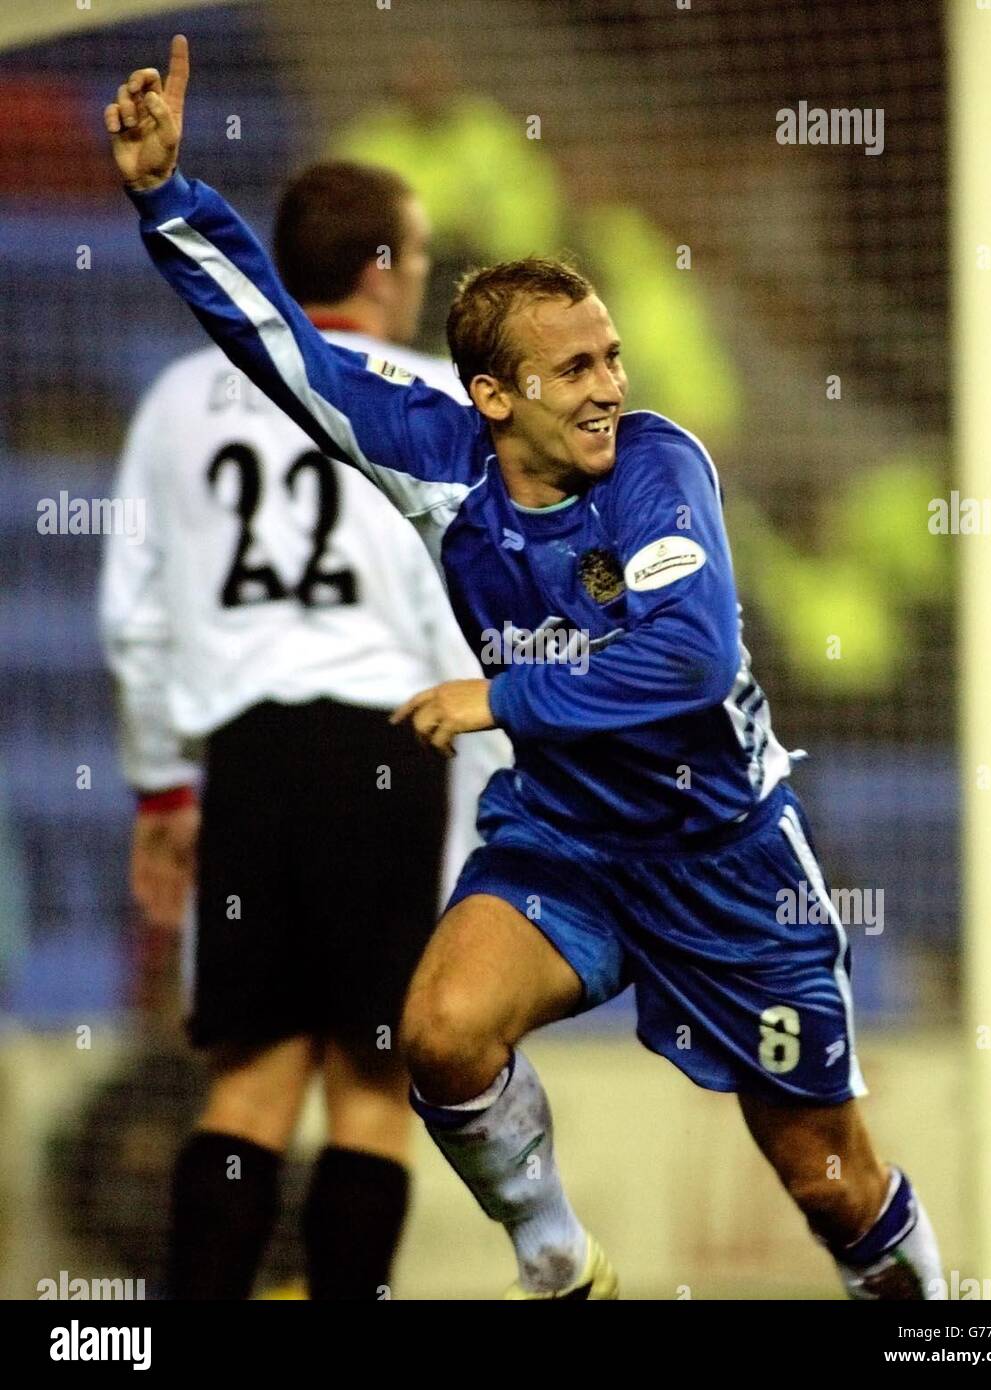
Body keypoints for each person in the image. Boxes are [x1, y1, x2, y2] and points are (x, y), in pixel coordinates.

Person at [104, 36, 943, 1300]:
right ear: (493, 395)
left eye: (613, 356)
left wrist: (499, 695)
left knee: (826, 1174)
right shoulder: (437, 459)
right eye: (579, 369)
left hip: (723, 858)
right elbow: (281, 348)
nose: (613, 387)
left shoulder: (662, 470)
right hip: (564, 849)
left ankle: (932, 1319)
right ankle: (557, 1259)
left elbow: (689, 657)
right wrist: (171, 197)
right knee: (436, 1035)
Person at [99, 147, 508, 1300]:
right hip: (393, 746)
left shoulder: (182, 397)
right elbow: (462, 622)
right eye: (418, 257)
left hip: (248, 756)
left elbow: (135, 618)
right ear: (381, 269)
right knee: (373, 1089)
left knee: (247, 1085)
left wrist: (163, 788)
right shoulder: (425, 405)